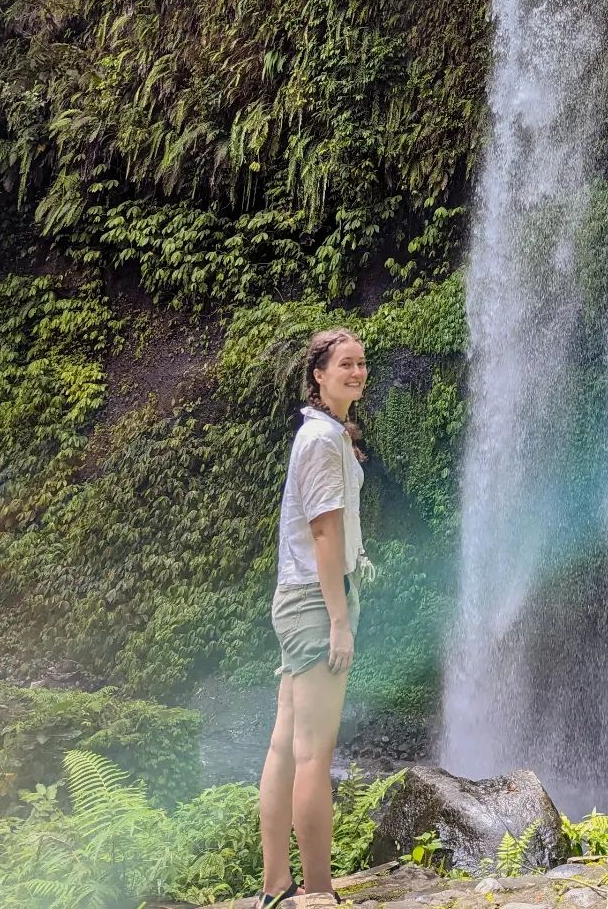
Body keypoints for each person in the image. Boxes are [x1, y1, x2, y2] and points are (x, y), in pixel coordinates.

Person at [255, 326, 373, 909]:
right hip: (315, 603)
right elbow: (325, 531)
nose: (356, 371)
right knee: (312, 753)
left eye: (361, 363)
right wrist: (338, 619)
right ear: (319, 375)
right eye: (345, 364)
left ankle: (277, 887)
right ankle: (318, 893)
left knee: (284, 747)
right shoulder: (323, 441)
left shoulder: (322, 433)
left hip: (296, 596)